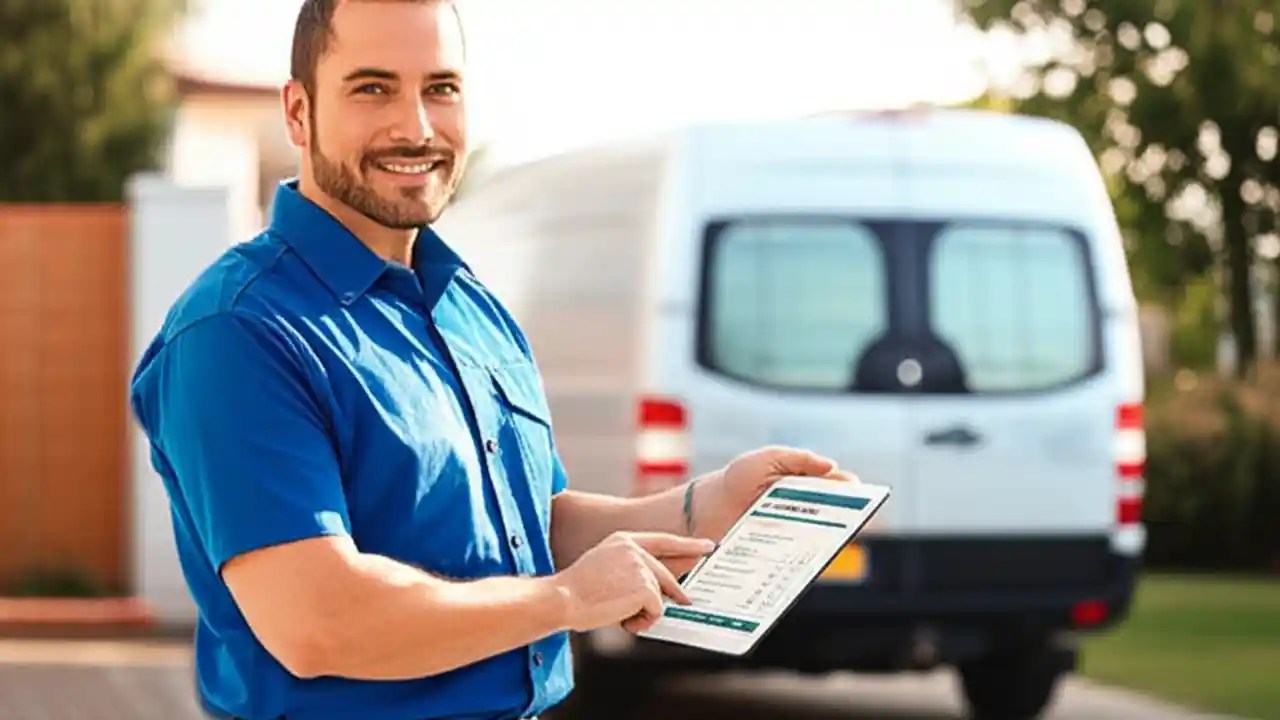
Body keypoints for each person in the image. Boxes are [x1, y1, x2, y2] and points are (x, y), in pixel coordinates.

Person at [129, 1, 855, 718]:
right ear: (298, 113)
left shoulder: (469, 307)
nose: (415, 127)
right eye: (372, 88)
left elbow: (528, 526)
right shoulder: (239, 331)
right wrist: (567, 600)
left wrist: (705, 506)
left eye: (440, 88)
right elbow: (321, 622)